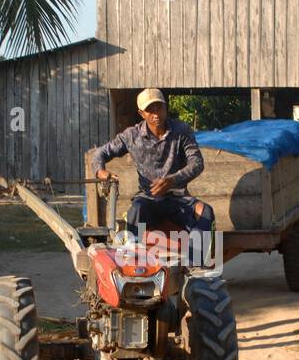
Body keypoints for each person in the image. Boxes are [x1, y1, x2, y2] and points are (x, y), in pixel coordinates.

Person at [90, 88, 215, 263]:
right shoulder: (131, 135)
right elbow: (100, 154)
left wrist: (172, 180)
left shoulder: (181, 131)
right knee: (135, 210)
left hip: (177, 199)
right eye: (150, 110)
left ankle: (195, 267)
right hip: (148, 199)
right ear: (141, 113)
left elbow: (197, 163)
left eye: (159, 107)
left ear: (166, 107)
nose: (156, 113)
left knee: (205, 212)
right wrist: (100, 171)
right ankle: (133, 264)